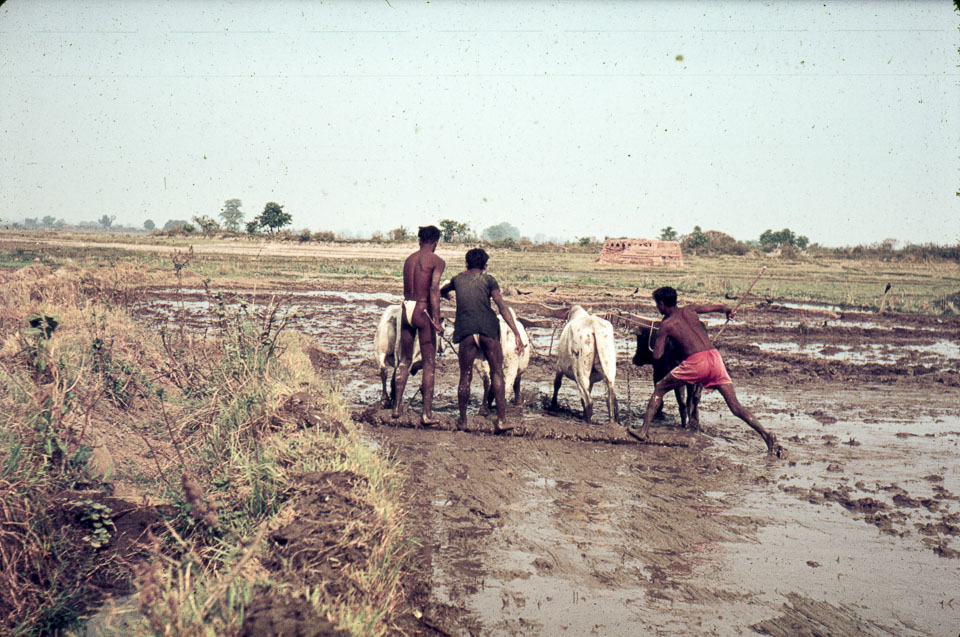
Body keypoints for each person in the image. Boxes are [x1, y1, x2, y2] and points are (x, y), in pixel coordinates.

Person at [627, 286, 782, 457]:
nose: (658, 308)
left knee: (660, 388)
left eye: (657, 305)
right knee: (736, 406)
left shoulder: (666, 325)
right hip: (715, 358)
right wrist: (727, 310)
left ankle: (643, 430)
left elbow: (657, 356)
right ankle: (767, 436)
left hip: (696, 362)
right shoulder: (690, 310)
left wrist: (657, 343)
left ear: (662, 304)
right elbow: (714, 307)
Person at [440, 248, 525, 434]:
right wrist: (516, 333)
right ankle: (501, 420)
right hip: (488, 328)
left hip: (467, 330)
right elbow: (501, 306)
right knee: (497, 373)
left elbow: (441, 290)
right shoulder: (489, 280)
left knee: (465, 376)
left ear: (466, 263)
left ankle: (462, 420)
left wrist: (445, 294)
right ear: (485, 265)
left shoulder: (457, 279)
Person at [393, 225, 445, 425]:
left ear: (419, 240)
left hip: (406, 308)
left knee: (405, 360)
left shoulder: (409, 260)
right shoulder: (437, 261)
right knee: (429, 364)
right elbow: (434, 290)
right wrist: (437, 321)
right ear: (435, 243)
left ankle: (397, 408)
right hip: (422, 311)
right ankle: (426, 414)